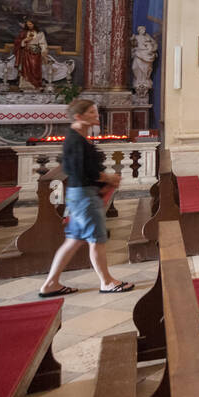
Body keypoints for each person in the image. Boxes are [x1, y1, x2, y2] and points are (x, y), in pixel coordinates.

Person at [39, 99, 133, 297]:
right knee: (96, 239)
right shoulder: (75, 141)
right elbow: (82, 172)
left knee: (73, 241)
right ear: (78, 117)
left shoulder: (79, 138)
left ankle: (51, 283)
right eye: (90, 112)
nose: (95, 115)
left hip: (80, 194)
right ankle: (106, 282)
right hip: (84, 196)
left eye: (95, 111)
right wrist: (108, 178)